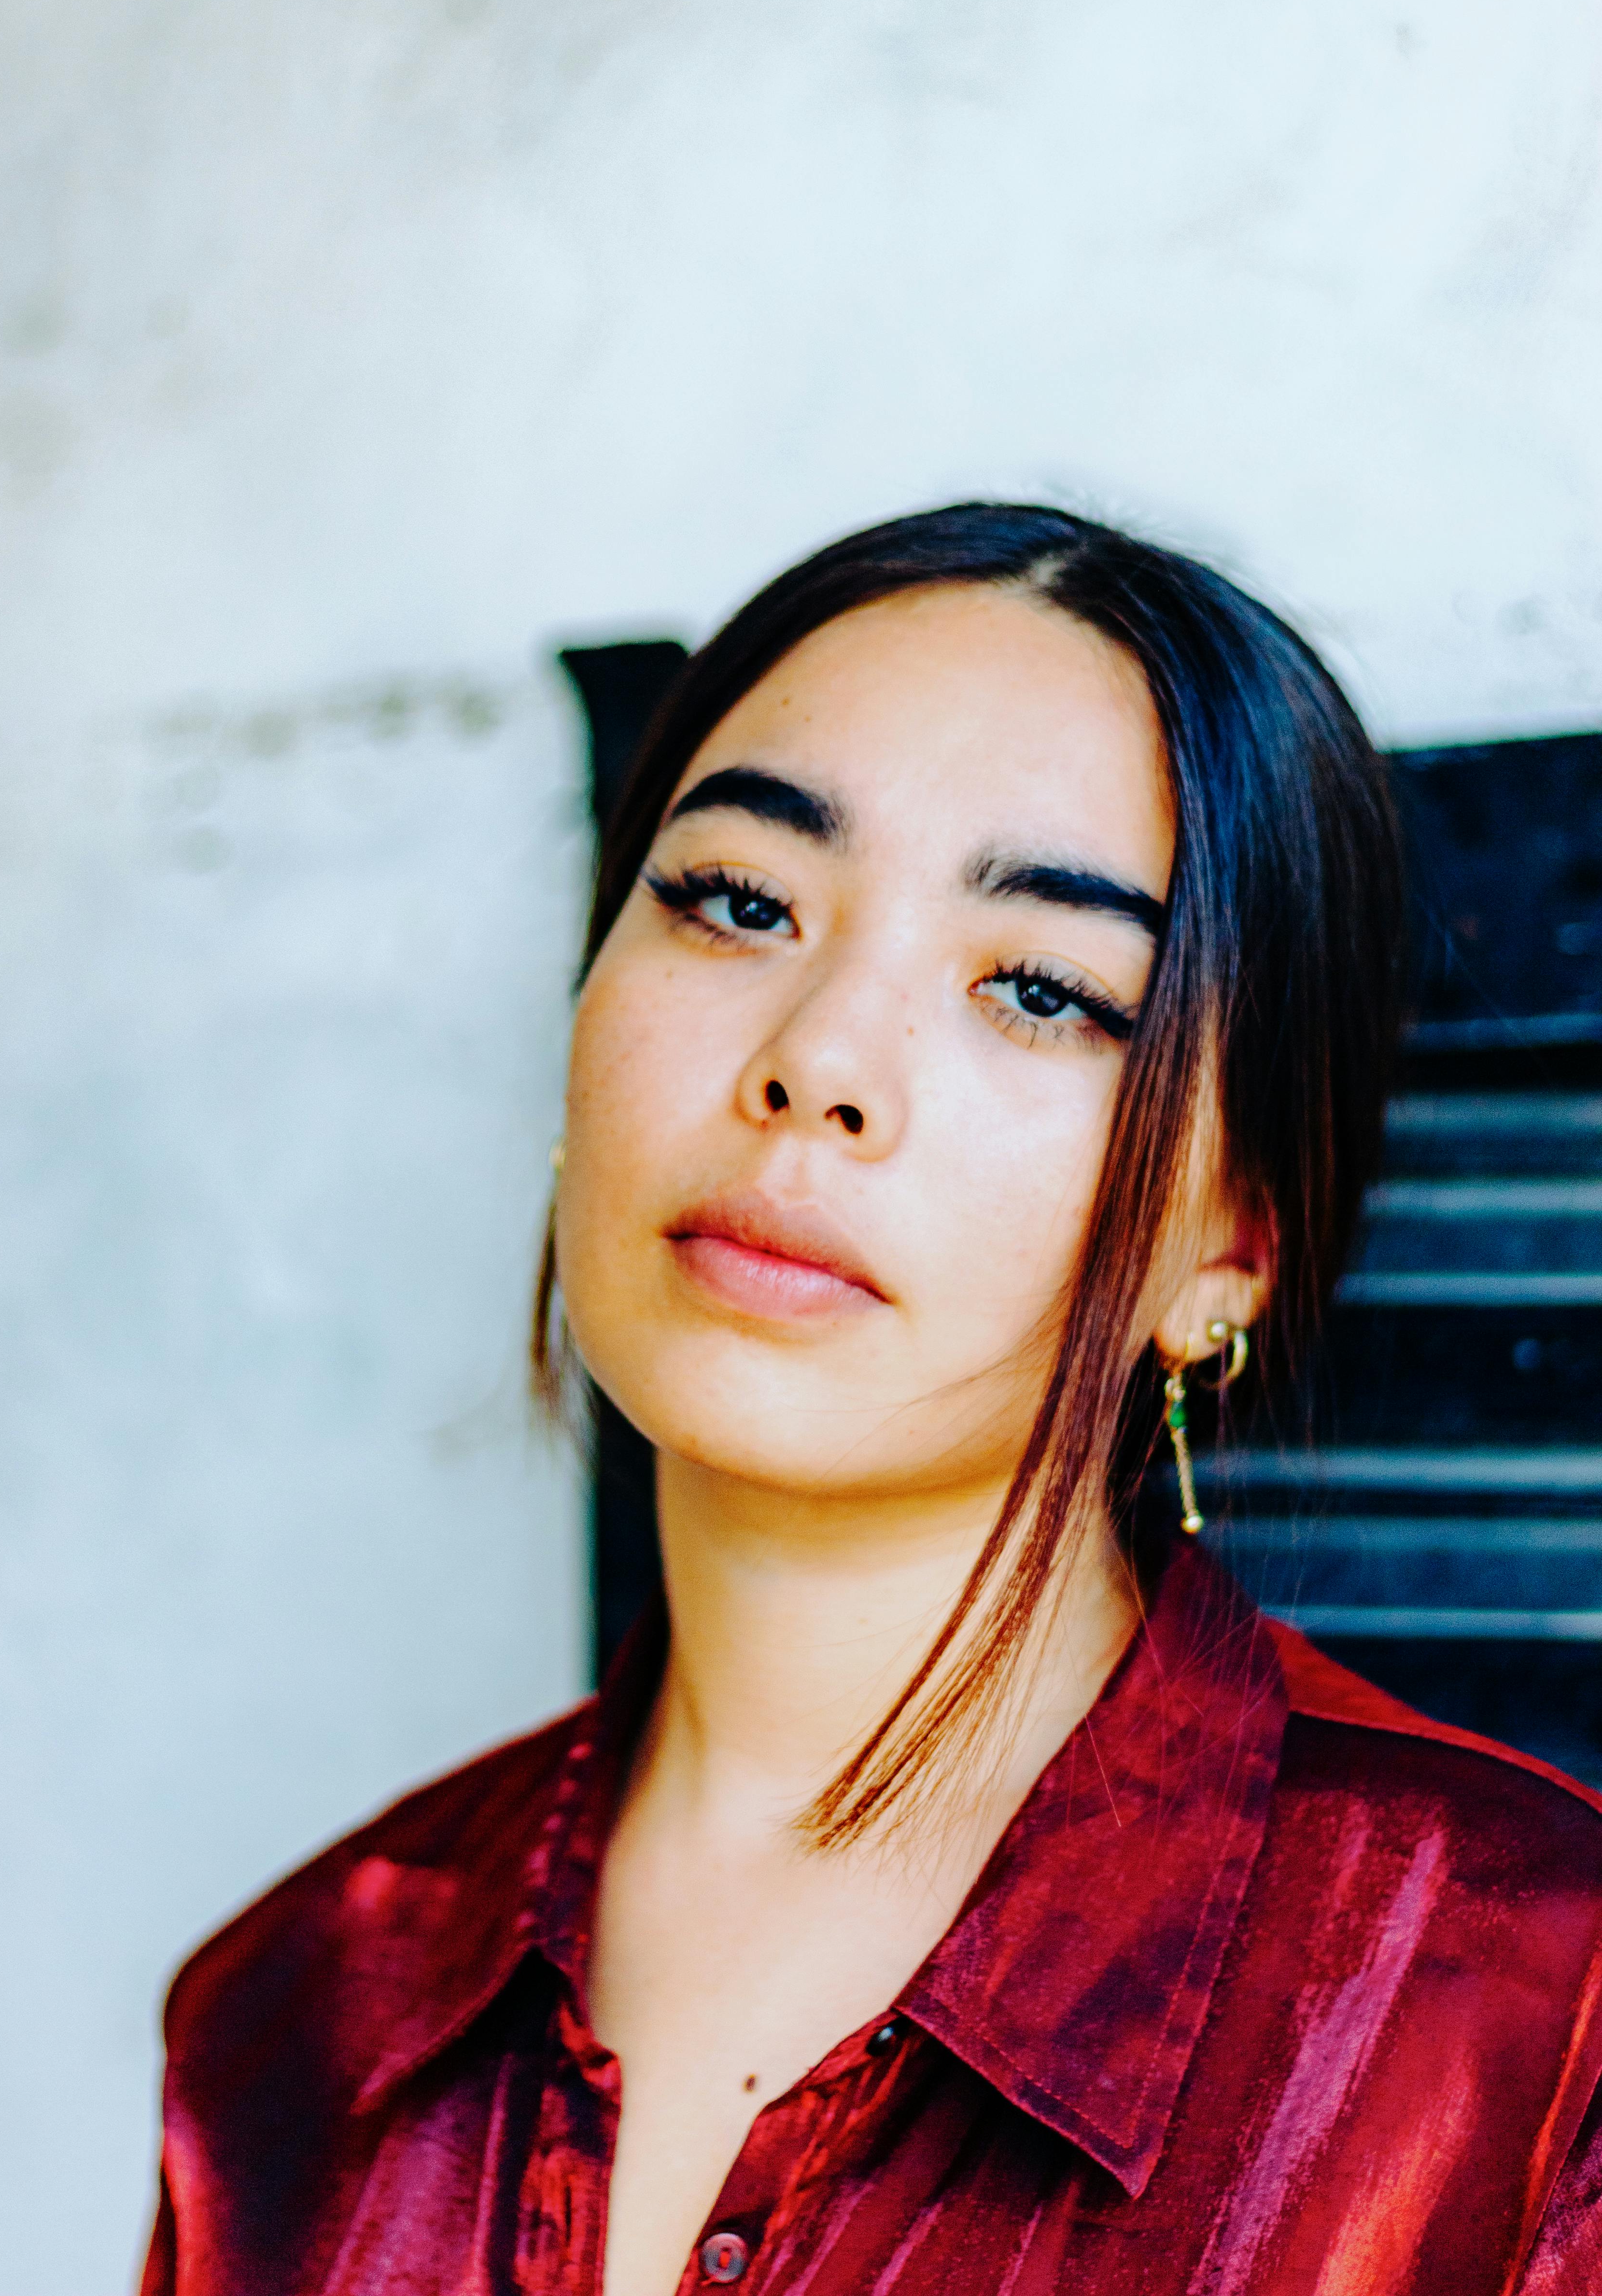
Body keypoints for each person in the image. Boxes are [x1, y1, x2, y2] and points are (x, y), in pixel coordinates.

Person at [140, 505, 1602, 2296]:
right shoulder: (290, 2024)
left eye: (1044, 990)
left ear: (1226, 1247)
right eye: (737, 901)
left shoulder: (1524, 2021)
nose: (818, 1061)